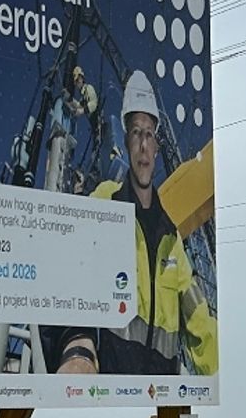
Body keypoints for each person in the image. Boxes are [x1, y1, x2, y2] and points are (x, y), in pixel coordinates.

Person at [56, 70, 217, 377]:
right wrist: (79, 349)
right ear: (126, 140)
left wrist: (228, 373)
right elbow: (73, 275)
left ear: (157, 146)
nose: (143, 145)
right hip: (112, 393)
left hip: (162, 401)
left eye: (150, 135)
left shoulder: (171, 239)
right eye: (135, 133)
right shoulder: (105, 201)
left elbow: (199, 320)